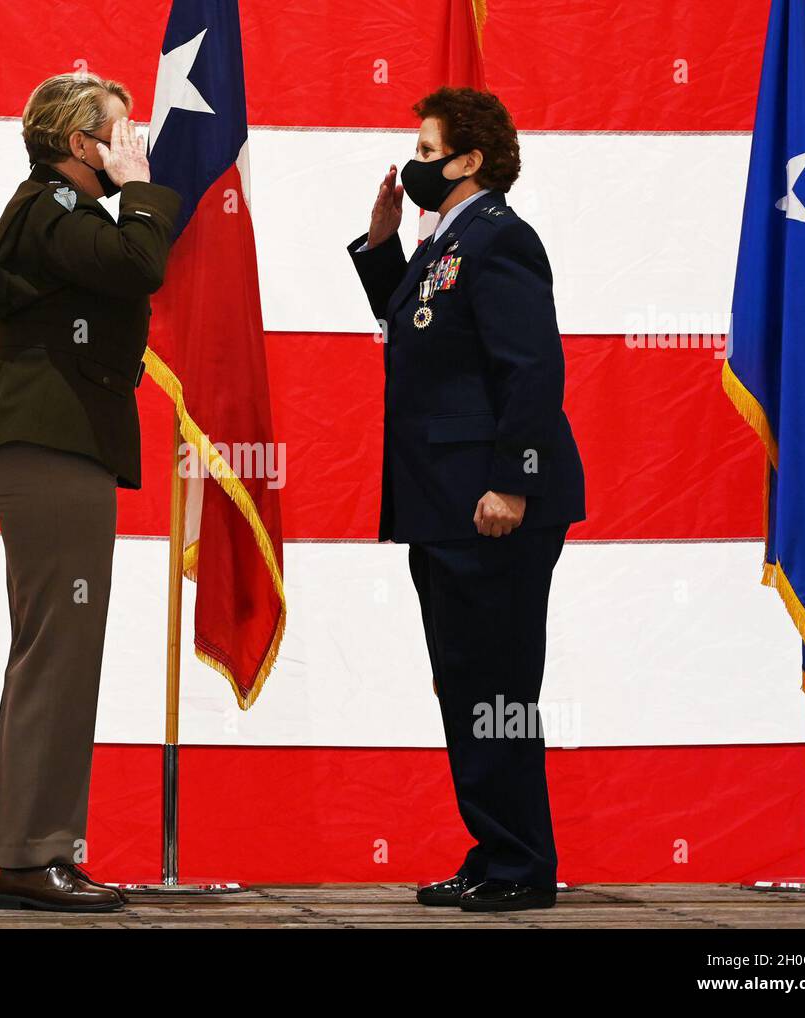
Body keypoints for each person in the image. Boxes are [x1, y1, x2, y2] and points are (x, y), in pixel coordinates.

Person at [347, 87, 585, 912]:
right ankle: (494, 849)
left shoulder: (502, 241)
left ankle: (523, 862)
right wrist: (382, 245)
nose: (412, 164)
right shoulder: (447, 242)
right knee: (465, 682)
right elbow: (413, 317)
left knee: (501, 688)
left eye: (424, 150)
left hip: (493, 503)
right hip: (443, 503)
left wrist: (513, 482)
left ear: (469, 159)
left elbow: (532, 370)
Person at [0, 72, 181, 912]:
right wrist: (140, 190)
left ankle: (44, 847)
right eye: (121, 134)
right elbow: (139, 265)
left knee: (60, 648)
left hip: (58, 440)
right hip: (47, 440)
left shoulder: (62, 209)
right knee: (58, 650)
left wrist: (129, 194)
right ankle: (31, 855)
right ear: (79, 143)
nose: (135, 146)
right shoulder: (49, 207)